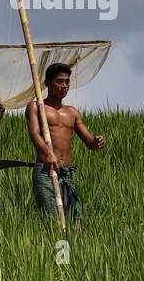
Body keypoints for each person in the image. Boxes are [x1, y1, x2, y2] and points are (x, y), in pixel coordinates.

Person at [25, 62, 105, 224]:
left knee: (76, 219)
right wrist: (48, 154)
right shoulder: (36, 107)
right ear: (47, 83)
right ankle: (54, 247)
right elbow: (34, 133)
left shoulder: (72, 112)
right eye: (59, 81)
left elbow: (88, 141)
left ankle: (76, 248)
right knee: (52, 220)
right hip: (46, 171)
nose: (64, 86)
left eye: (67, 82)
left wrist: (96, 141)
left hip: (67, 173)